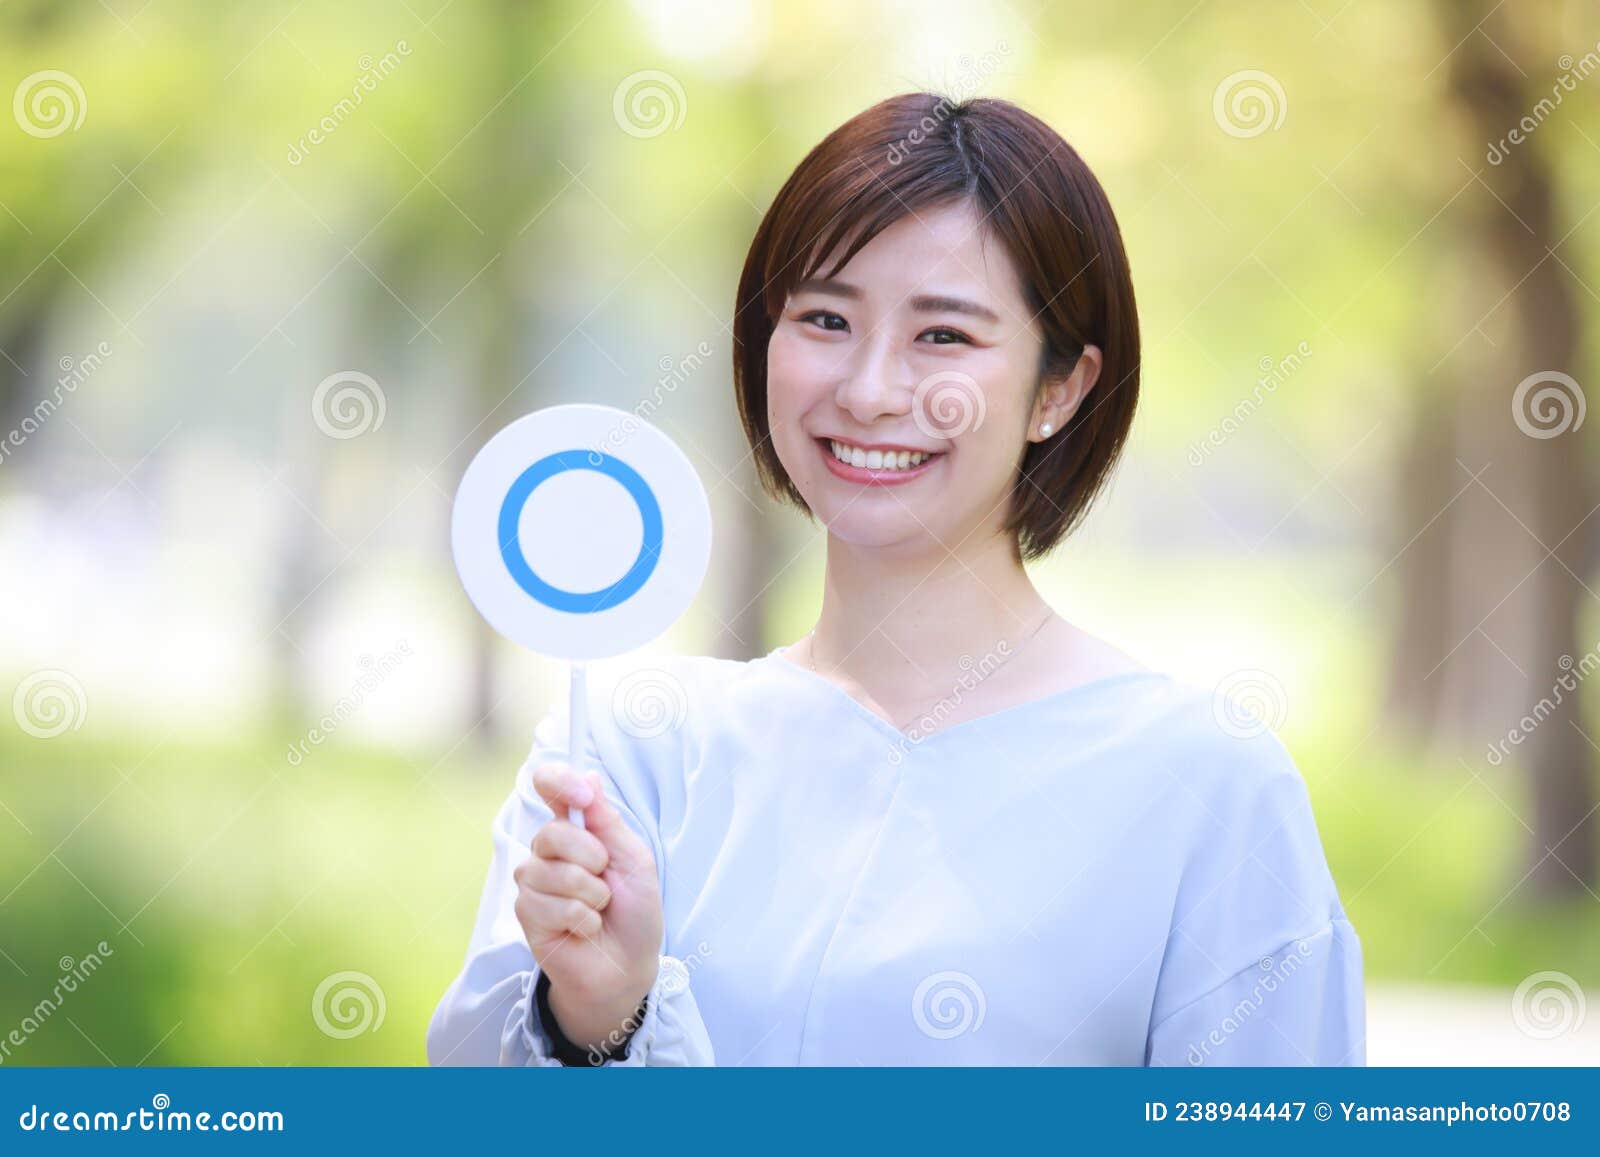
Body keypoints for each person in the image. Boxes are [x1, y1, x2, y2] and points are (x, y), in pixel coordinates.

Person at [427, 92, 1364, 1067]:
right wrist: (594, 1018)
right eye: (825, 317)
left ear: (1059, 388)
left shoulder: (1206, 784)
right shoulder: (629, 758)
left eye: (943, 336)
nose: (870, 390)